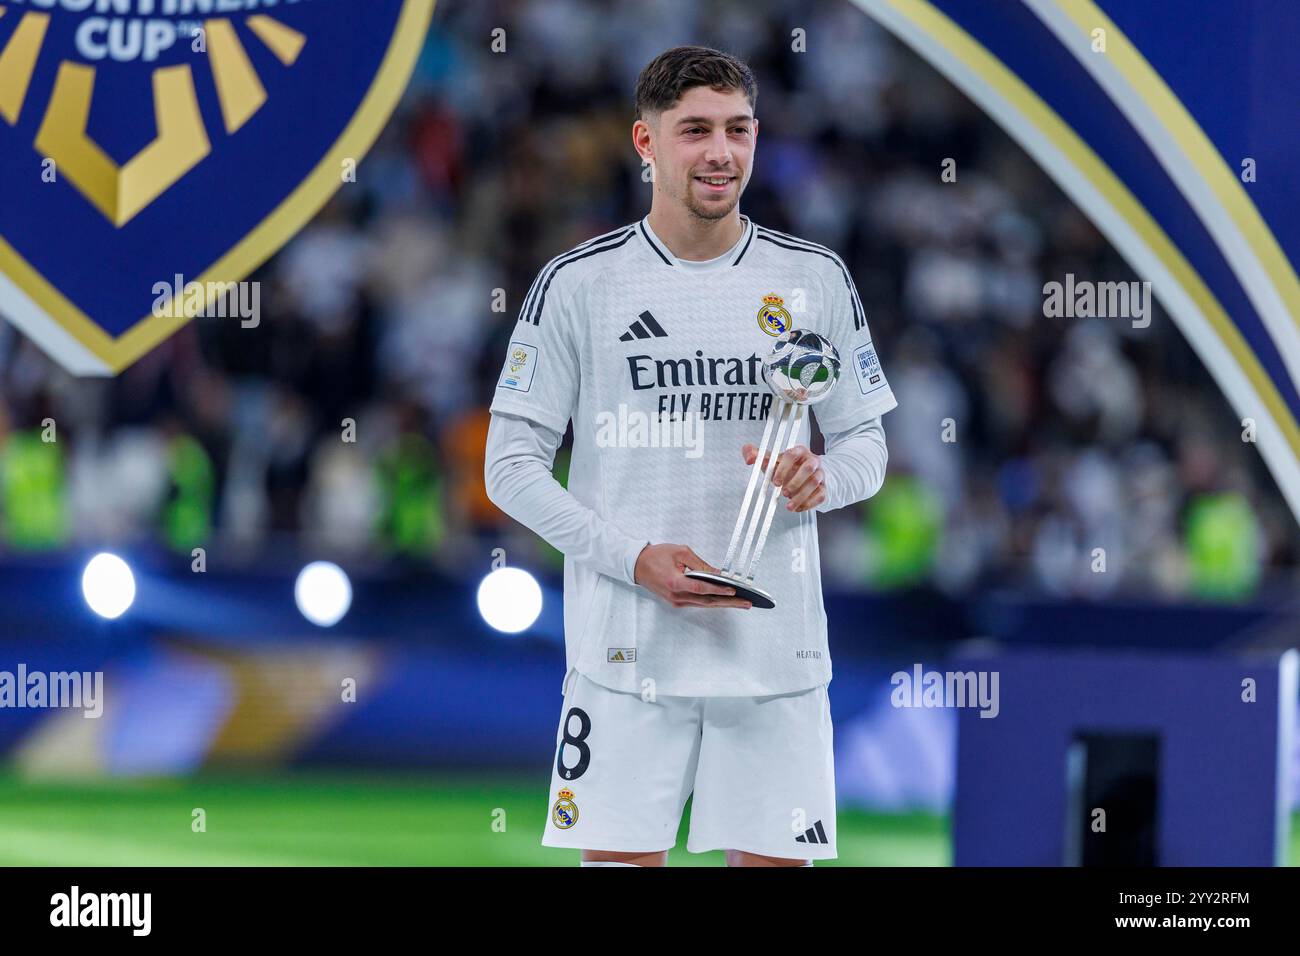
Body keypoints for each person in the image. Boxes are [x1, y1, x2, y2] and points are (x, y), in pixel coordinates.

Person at [484, 46, 896, 867]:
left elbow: (867, 445)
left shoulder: (814, 277)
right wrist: (634, 560)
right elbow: (510, 466)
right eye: (696, 130)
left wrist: (825, 480)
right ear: (645, 142)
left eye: (739, 130)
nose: (721, 152)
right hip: (625, 655)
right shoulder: (578, 284)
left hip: (776, 657)